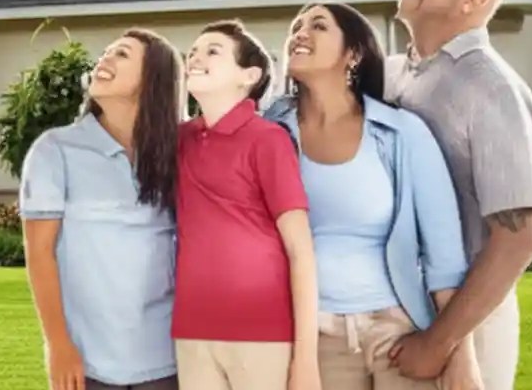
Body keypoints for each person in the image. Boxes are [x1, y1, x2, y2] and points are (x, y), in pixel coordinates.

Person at [262, 2, 480, 389]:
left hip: (396, 331)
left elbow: (444, 257)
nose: (299, 32)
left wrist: (460, 357)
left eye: (318, 25)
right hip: (314, 335)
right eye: (296, 25)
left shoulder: (402, 133)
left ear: (354, 53)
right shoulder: (268, 134)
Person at [384, 0, 532, 390]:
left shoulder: (491, 89)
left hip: (464, 328)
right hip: (393, 310)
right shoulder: (396, 73)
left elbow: (516, 242)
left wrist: (439, 342)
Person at [19, 28, 185, 390]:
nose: (104, 58)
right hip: (88, 363)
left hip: (169, 359)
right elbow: (39, 253)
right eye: (106, 51)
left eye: (121, 54)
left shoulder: (178, 152)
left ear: (152, 79)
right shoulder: (55, 150)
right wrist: (58, 344)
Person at [170, 19, 319, 390]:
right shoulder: (178, 141)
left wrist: (305, 359)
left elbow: (300, 251)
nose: (195, 58)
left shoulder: (267, 140)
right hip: (192, 332)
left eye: (212, 51)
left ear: (248, 75)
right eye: (193, 52)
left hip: (263, 335)